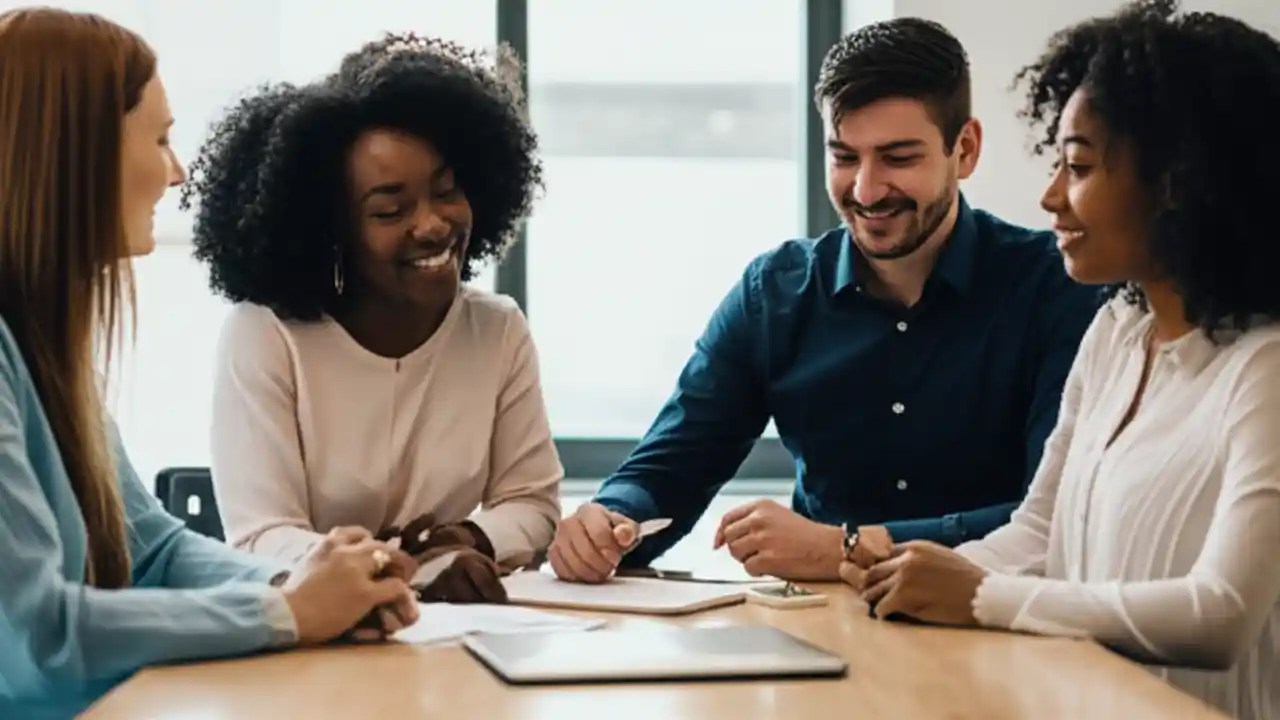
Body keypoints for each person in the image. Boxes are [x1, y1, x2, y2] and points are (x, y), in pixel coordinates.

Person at [842, 2, 1280, 718]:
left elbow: (1221, 616)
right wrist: (909, 575)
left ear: (1179, 183)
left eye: (1077, 166)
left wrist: (980, 595)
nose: (1050, 197)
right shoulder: (1115, 331)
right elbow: (1041, 532)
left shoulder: (1266, 367)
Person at [549, 18, 1100, 584]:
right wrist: (608, 520)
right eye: (844, 157)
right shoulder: (774, 294)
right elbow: (671, 468)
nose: (865, 190)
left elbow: (1054, 521)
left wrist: (851, 547)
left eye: (897, 158)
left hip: (996, 628)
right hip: (817, 631)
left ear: (964, 150)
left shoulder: (1056, 290)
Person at [0, 8, 418, 715]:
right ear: (79, 152)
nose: (177, 170)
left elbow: (154, 552)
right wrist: (289, 615)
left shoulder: (44, 344)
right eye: (160, 138)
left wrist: (301, 584)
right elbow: (35, 639)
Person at [185, 32, 561, 602]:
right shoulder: (266, 335)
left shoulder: (498, 329)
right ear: (330, 229)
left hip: (458, 646)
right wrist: (398, 566)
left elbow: (532, 503)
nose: (433, 225)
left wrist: (469, 539)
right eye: (390, 209)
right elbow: (261, 536)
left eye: (447, 191)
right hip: (313, 636)